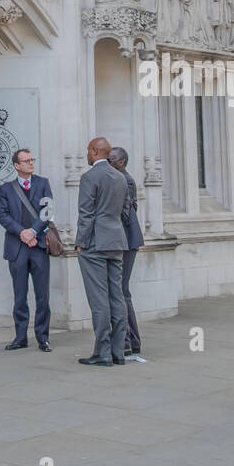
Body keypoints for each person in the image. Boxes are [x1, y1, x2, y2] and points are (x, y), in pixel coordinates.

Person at [74, 135, 130, 366]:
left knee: (99, 300)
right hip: (116, 241)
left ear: (94, 152)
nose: (87, 155)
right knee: (117, 297)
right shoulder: (120, 177)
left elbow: (86, 213)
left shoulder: (89, 177)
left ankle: (103, 353)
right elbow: (124, 209)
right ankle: (119, 352)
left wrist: (81, 241)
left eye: (88, 151)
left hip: (95, 243)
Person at [0, 149, 53, 352]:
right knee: (19, 295)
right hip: (17, 248)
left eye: (32, 159)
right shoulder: (6, 189)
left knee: (42, 296)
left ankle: (43, 338)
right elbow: (3, 217)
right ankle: (20, 337)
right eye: (26, 160)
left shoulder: (43, 183)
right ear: (16, 165)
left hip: (38, 247)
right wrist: (22, 233)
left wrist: (33, 231)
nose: (31, 163)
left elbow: (47, 211)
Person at [109, 146, 145, 362]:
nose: (109, 161)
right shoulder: (119, 177)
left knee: (121, 290)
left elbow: (123, 213)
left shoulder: (125, 180)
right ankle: (131, 341)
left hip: (126, 241)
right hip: (124, 239)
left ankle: (129, 341)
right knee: (122, 291)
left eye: (112, 159)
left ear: (121, 162)